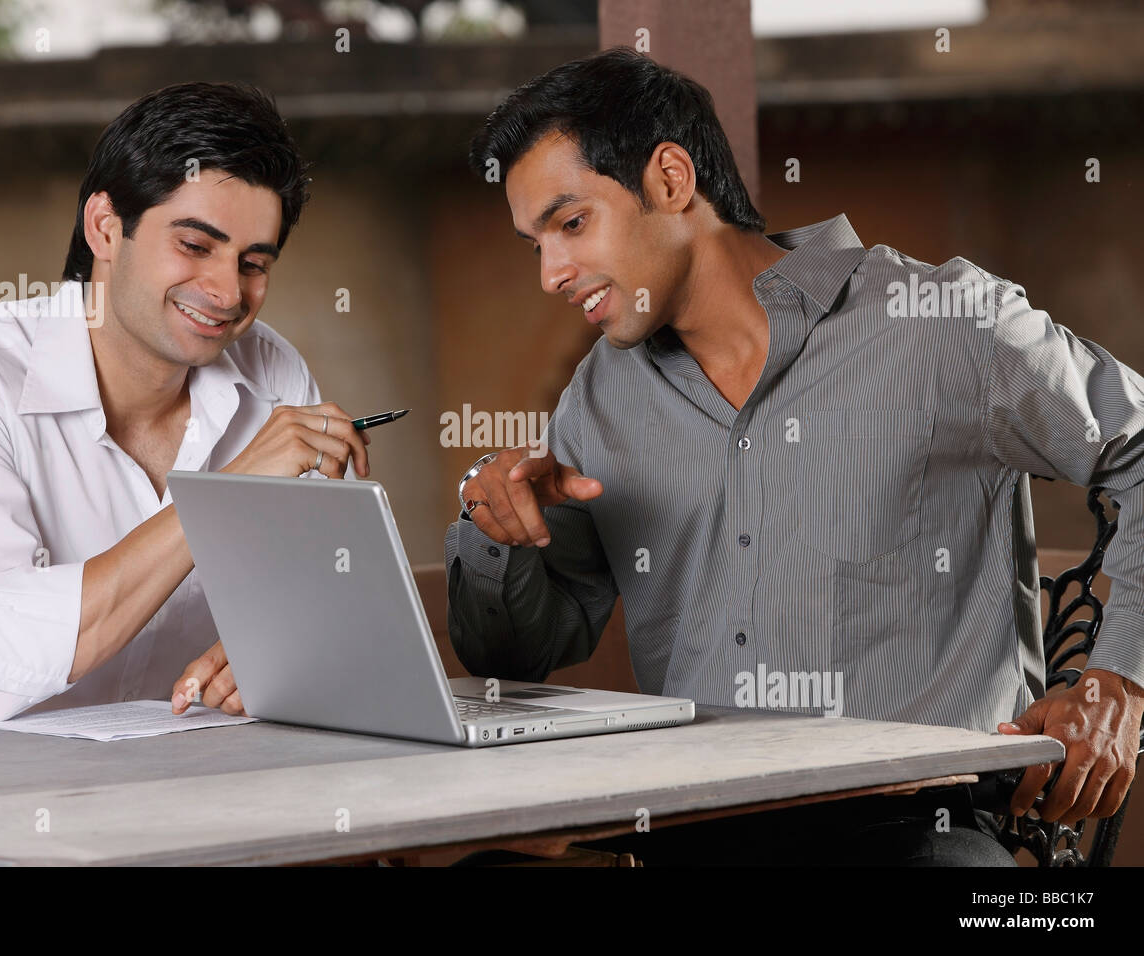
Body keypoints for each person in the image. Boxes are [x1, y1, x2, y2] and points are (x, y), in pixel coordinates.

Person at [441, 47, 1144, 865]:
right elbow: (517, 658)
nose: (551, 273)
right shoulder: (600, 398)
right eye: (535, 244)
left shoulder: (942, 323)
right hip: (694, 831)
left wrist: (1118, 681)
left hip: (916, 825)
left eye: (570, 224)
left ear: (671, 180)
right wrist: (496, 534)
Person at [0, 82, 369, 731]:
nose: (225, 291)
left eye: (253, 262)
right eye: (194, 246)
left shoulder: (274, 374)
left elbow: (337, 601)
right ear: (105, 227)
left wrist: (290, 649)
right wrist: (223, 495)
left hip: (198, 793)